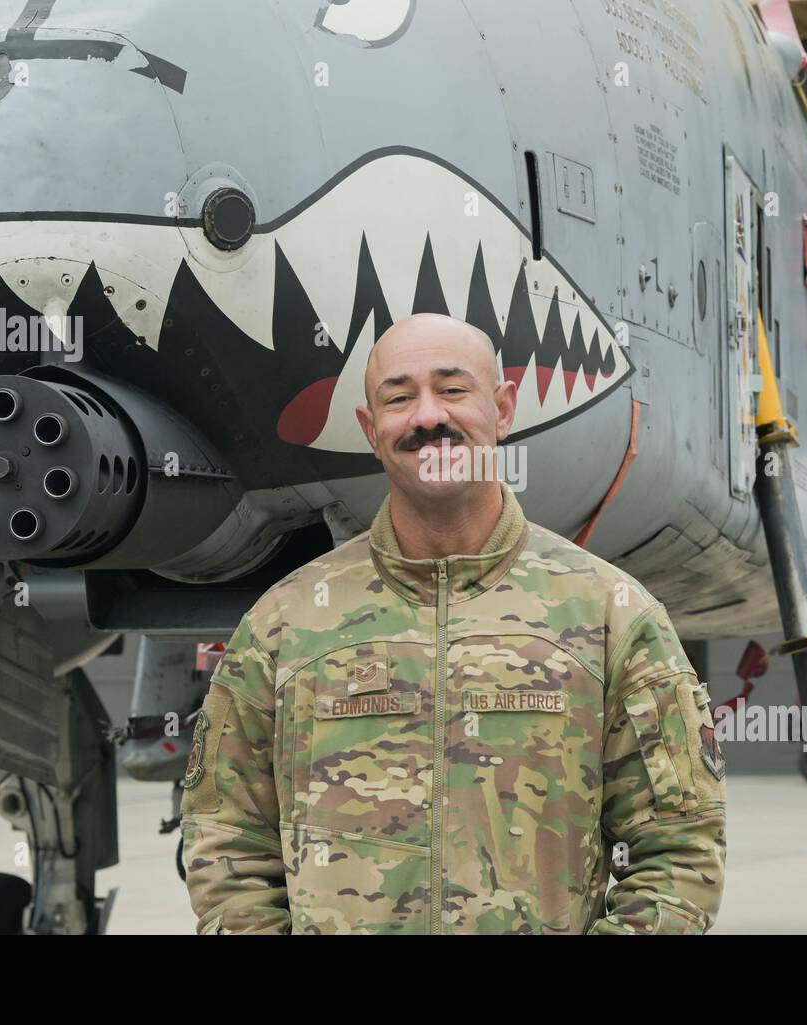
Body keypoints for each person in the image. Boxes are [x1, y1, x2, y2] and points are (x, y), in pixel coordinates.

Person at [180, 312, 725, 934]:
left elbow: (681, 848)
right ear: (370, 428)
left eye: (453, 389)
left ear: (503, 407)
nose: (427, 416)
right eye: (399, 397)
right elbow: (226, 838)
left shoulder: (609, 613)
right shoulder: (288, 622)